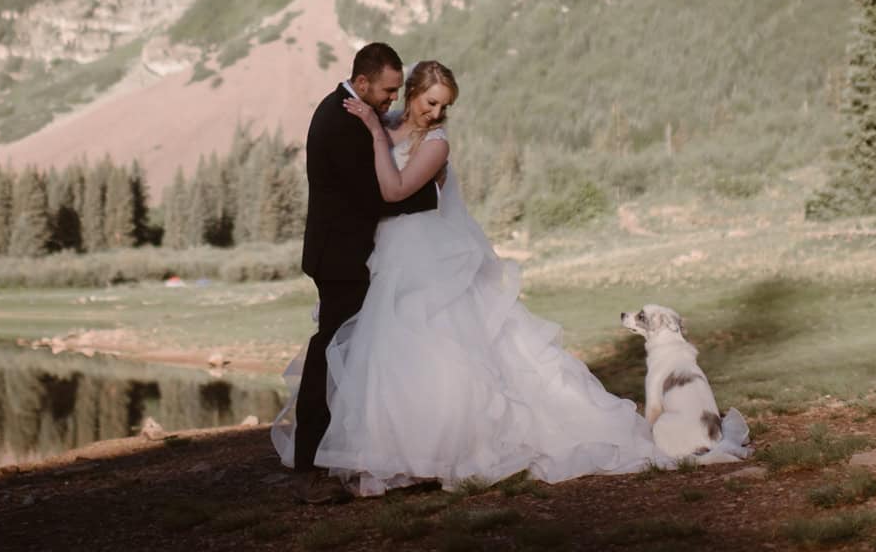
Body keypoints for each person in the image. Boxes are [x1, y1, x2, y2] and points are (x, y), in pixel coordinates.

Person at [275, 59, 669, 497]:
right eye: (430, 102)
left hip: (422, 251)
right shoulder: (383, 121)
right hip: (384, 251)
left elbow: (393, 191)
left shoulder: (433, 143)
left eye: (444, 106)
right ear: (411, 94)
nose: (436, 114)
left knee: (433, 339)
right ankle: (394, 445)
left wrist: (372, 132)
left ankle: (441, 448)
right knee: (389, 347)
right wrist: (374, 129)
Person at [276, 42, 440, 502]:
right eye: (387, 91)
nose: (391, 100)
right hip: (342, 259)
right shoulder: (344, 121)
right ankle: (310, 465)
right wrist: (431, 201)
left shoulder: (347, 109)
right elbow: (373, 197)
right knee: (331, 355)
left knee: (356, 354)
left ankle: (348, 453)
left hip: (345, 253)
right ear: (363, 83)